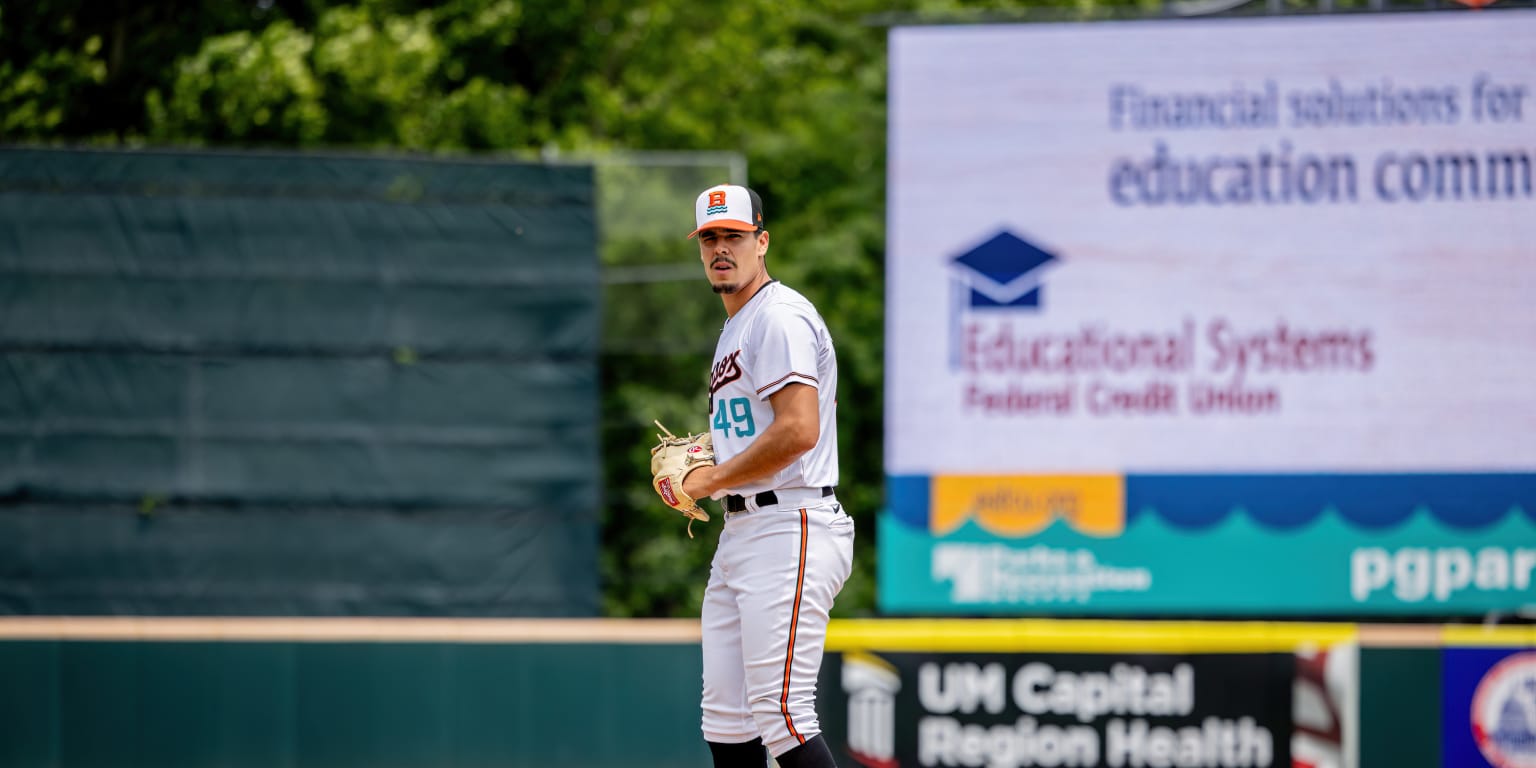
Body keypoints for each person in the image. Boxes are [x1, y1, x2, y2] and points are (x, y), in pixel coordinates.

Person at [678, 183, 854, 768]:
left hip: (790, 521)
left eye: (734, 235)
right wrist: (710, 455)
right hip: (745, 531)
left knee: (783, 716)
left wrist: (713, 477)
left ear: (762, 241)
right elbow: (763, 425)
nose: (721, 248)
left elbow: (799, 429)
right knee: (727, 724)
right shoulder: (738, 325)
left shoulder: (777, 316)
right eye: (710, 237)